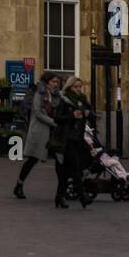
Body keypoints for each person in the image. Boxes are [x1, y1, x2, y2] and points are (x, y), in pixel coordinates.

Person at [51, 75, 94, 210]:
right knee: (75, 169)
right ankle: (83, 197)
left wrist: (88, 113)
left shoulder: (83, 100)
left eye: (80, 86)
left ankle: (59, 197)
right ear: (70, 87)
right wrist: (71, 116)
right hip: (66, 139)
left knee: (65, 171)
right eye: (76, 87)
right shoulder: (64, 100)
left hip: (78, 139)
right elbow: (57, 118)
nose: (78, 89)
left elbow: (92, 113)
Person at [13, 73, 59, 199]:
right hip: (40, 131)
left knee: (61, 159)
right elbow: (37, 113)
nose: (56, 84)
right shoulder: (39, 94)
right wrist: (53, 122)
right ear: (47, 82)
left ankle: (64, 188)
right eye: (53, 81)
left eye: (57, 82)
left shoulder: (56, 96)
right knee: (33, 159)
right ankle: (19, 184)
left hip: (54, 132)